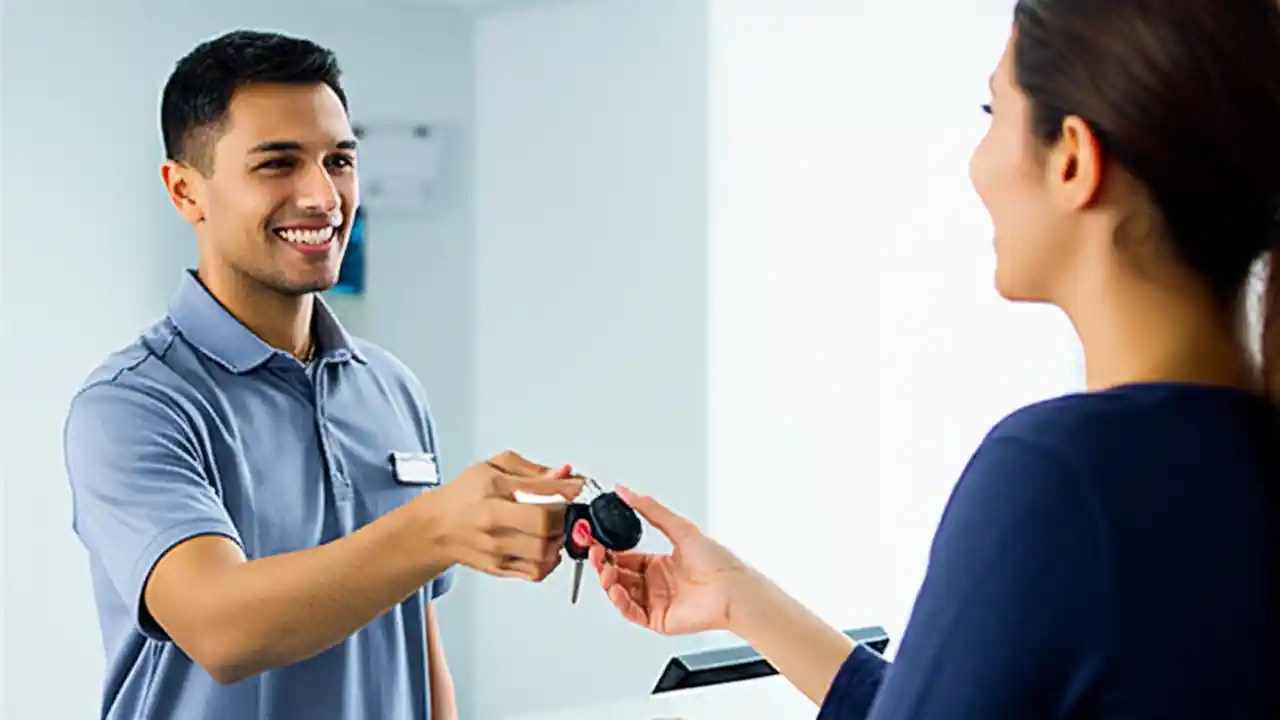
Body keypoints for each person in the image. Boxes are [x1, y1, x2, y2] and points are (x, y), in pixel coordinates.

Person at [587, 0, 1280, 717]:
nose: (977, 163)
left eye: (992, 111)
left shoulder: (1064, 475)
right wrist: (739, 599)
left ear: (1072, 158)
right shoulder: (1228, 464)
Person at [63, 30, 582, 720]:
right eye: (278, 164)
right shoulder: (132, 406)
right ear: (186, 191)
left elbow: (418, 647)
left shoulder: (390, 388)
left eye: (339, 160)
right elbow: (222, 629)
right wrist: (437, 526)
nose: (323, 195)